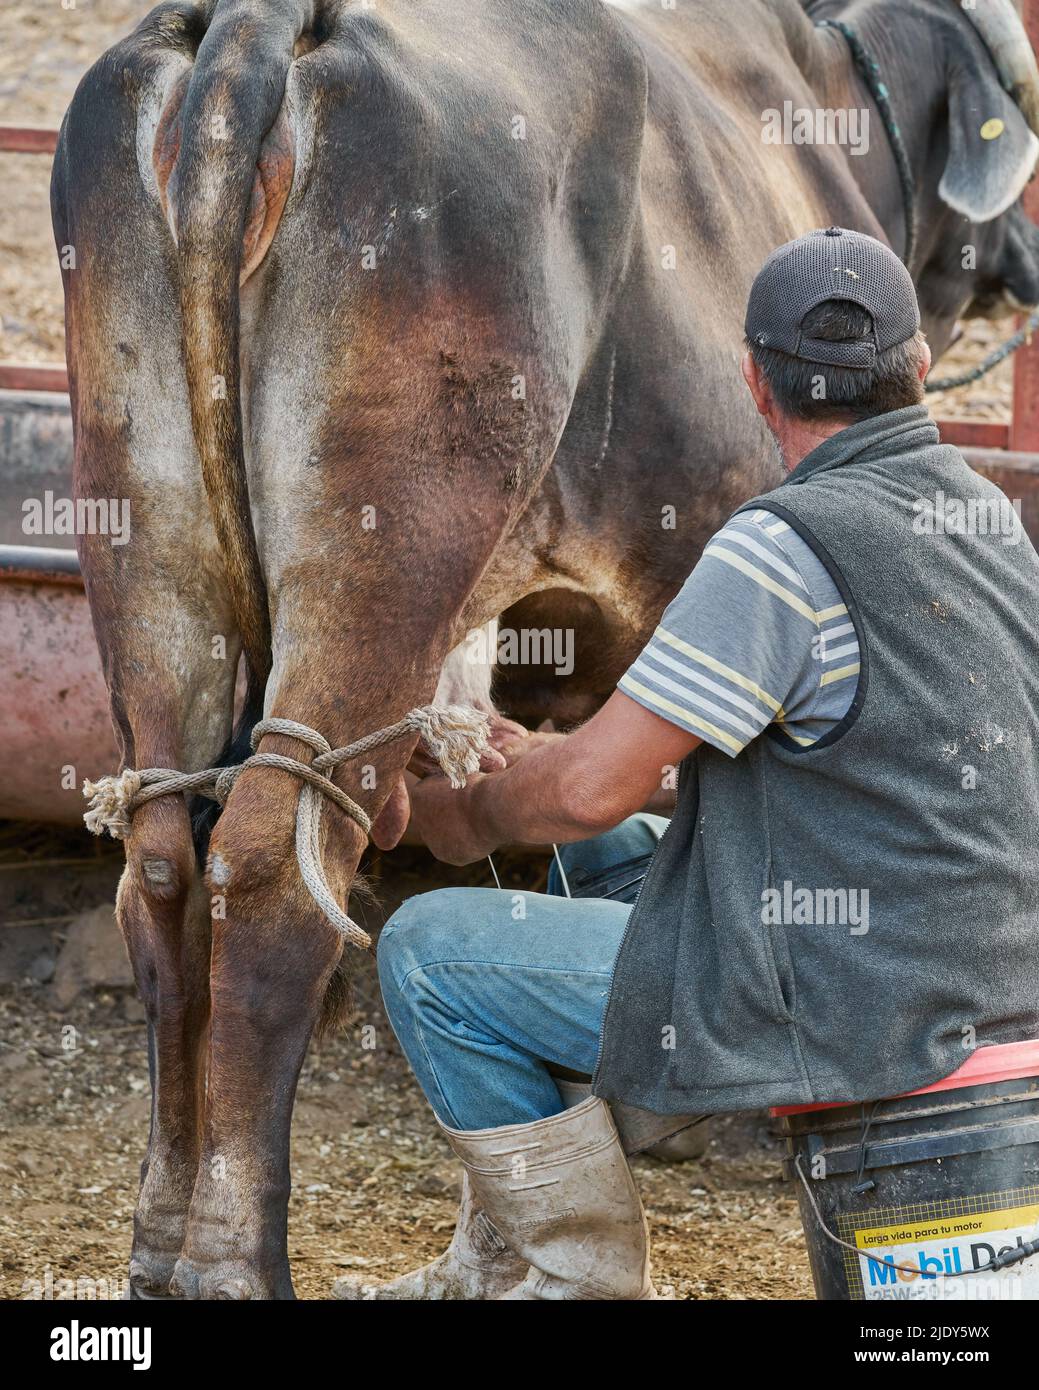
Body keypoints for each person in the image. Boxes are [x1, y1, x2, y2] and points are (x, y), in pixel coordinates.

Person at [336, 228, 1039, 1301]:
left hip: (854, 990)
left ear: (753, 381)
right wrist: (576, 766)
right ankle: (534, 1215)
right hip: (983, 963)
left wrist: (468, 812)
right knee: (610, 850)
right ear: (924, 371)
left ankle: (576, 1276)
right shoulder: (984, 515)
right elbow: (836, 753)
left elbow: (582, 791)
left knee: (431, 951)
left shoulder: (780, 547)